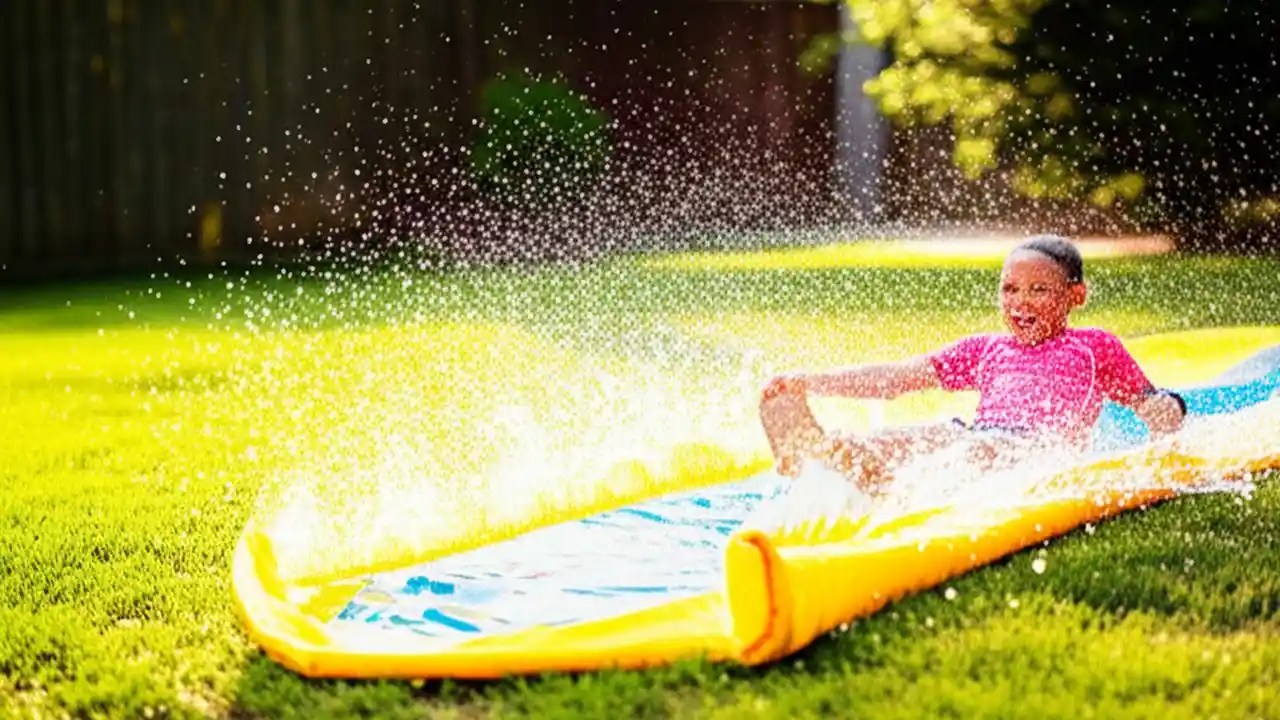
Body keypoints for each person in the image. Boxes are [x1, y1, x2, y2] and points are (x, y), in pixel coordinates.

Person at [759, 235, 1187, 493]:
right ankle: (817, 465)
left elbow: (1149, 402)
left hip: (1038, 453)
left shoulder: (1095, 347)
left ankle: (873, 488)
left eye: (1039, 290)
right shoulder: (985, 350)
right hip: (973, 437)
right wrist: (808, 382)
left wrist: (1165, 430)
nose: (1020, 303)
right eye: (1010, 289)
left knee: (969, 452)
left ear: (1076, 296)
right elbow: (896, 378)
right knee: (892, 442)